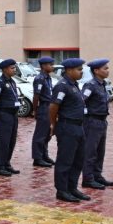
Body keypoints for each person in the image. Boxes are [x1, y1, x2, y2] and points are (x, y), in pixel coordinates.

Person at [49, 58, 90, 203]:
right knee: (65, 160)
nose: (81, 71)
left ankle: (72, 187)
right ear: (69, 70)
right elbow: (54, 106)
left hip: (79, 126)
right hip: (67, 127)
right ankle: (62, 190)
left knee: (78, 159)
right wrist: (53, 124)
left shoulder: (74, 84)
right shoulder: (62, 86)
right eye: (79, 69)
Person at [81, 58, 113, 191]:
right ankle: (88, 179)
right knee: (91, 151)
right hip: (92, 121)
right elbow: (81, 101)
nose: (107, 70)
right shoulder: (90, 85)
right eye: (105, 68)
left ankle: (97, 175)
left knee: (100, 151)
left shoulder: (102, 84)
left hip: (102, 120)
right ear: (96, 70)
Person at [0, 59, 22, 177]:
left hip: (13, 115)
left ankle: (6, 163)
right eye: (12, 68)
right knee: (3, 141)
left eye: (14, 68)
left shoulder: (12, 81)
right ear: (4, 69)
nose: (14, 70)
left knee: (11, 141)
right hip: (4, 114)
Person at [31, 56, 56, 168]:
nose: (52, 66)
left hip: (49, 107)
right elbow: (36, 96)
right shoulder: (40, 78)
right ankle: (37, 158)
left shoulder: (48, 78)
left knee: (47, 134)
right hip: (44, 107)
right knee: (40, 134)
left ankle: (44, 155)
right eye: (50, 64)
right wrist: (35, 110)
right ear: (43, 66)